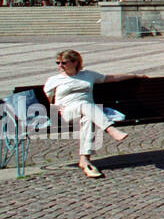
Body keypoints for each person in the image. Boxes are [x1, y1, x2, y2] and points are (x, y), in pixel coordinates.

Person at [43, 49, 144, 178]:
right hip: (66, 113)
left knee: (87, 119)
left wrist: (135, 76)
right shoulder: (54, 80)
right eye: (58, 63)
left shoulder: (87, 75)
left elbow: (110, 78)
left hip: (87, 112)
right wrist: (53, 112)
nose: (60, 66)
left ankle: (84, 160)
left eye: (63, 62)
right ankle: (110, 129)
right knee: (84, 105)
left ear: (75, 62)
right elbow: (48, 101)